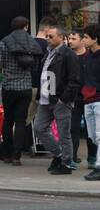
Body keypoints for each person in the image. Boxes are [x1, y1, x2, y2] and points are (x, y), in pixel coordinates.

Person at [0, 16, 39, 166]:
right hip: (26, 88)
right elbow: (36, 65)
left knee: (8, 120)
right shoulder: (32, 42)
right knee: (21, 121)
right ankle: (17, 155)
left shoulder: (4, 43)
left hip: (9, 87)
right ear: (26, 27)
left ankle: (8, 153)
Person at [33, 22, 80, 175]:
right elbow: (44, 74)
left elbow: (74, 79)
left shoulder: (68, 54)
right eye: (46, 36)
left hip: (60, 99)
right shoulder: (48, 52)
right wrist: (40, 94)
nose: (47, 39)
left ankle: (66, 164)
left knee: (64, 133)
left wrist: (64, 99)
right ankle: (60, 154)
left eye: (51, 36)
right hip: (46, 98)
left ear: (60, 37)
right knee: (39, 128)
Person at [67, 30, 95, 169]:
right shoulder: (68, 55)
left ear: (81, 40)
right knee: (73, 128)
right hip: (73, 97)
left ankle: (92, 157)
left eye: (73, 38)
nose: (70, 41)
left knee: (91, 130)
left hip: (89, 97)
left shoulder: (89, 56)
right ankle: (72, 157)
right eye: (69, 38)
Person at [79, 26, 100, 180]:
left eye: (86, 37)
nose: (83, 40)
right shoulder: (87, 57)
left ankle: (99, 167)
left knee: (99, 136)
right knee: (92, 136)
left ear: (95, 39)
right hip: (88, 100)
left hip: (98, 100)